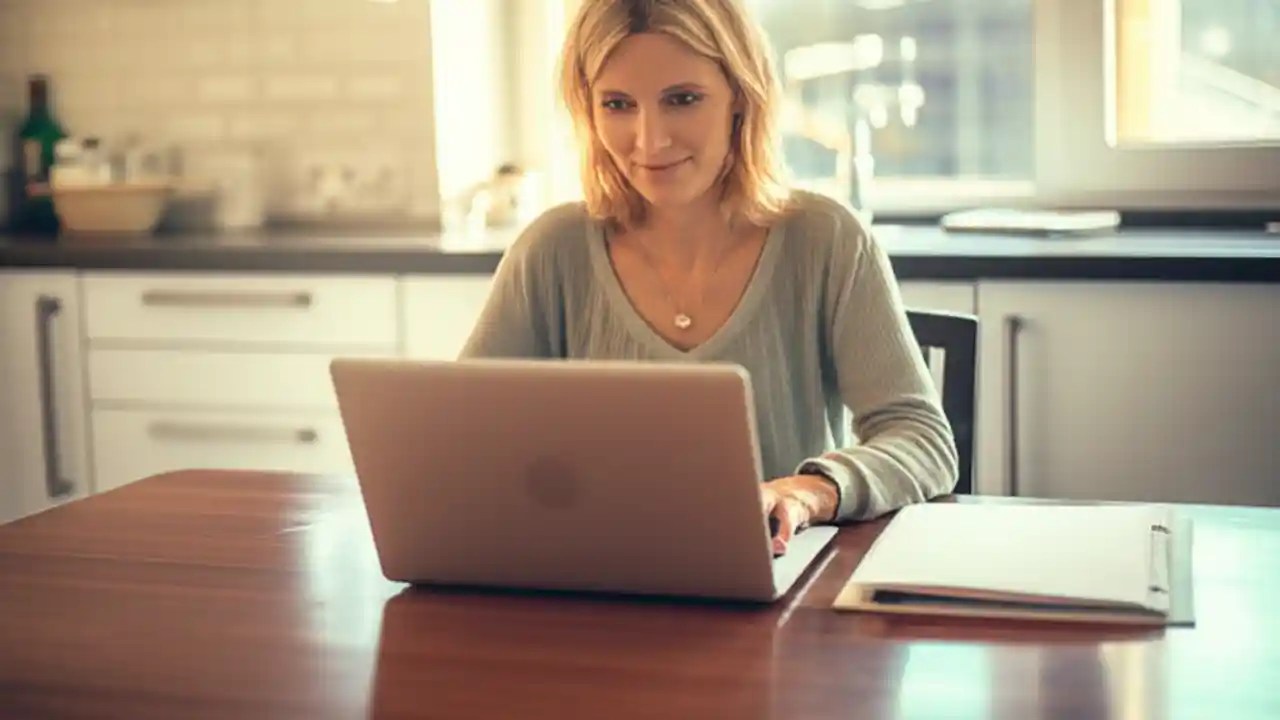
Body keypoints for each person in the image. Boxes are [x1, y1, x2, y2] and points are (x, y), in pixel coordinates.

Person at [460, 0, 958, 555]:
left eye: (682, 100)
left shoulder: (827, 240)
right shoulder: (551, 251)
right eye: (618, 104)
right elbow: (465, 444)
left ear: (741, 99)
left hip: (775, 590)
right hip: (595, 586)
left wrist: (806, 493)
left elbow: (923, 442)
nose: (649, 140)